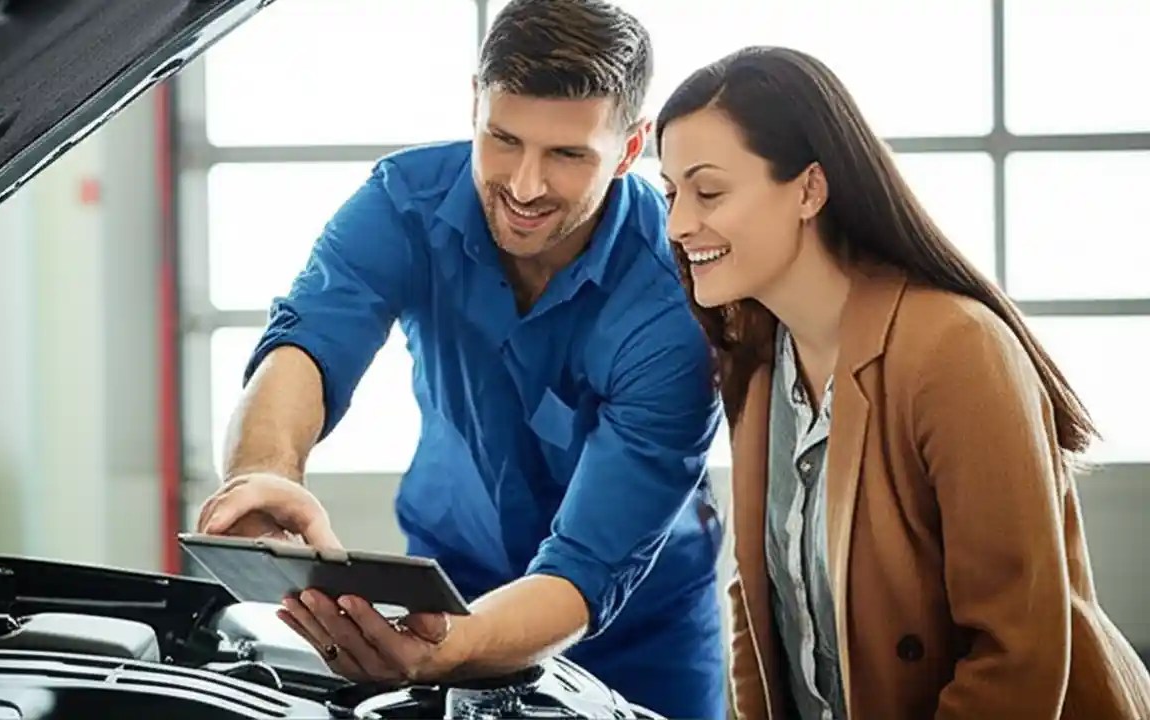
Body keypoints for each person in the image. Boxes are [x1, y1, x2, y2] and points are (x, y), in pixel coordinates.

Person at [194, 1, 726, 716]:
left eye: (568, 155)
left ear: (631, 148)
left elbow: (586, 566)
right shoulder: (404, 203)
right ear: (475, 103)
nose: (526, 186)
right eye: (504, 139)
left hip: (640, 627)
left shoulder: (675, 300)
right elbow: (308, 342)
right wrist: (263, 473)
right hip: (449, 584)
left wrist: (445, 652)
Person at [654, 44, 1150, 720]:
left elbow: (1015, 654)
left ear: (809, 189)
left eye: (708, 192)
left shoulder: (956, 349)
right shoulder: (758, 356)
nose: (679, 224)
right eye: (670, 193)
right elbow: (759, 609)